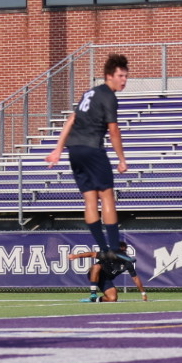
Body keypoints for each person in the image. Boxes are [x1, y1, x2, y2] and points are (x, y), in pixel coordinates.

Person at [45, 53, 130, 260]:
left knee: (90, 199)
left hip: (75, 150)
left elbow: (72, 119)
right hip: (93, 149)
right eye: (120, 75)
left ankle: (101, 248)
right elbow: (114, 130)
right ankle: (114, 249)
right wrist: (121, 159)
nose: (124, 80)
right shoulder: (108, 96)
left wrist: (58, 148)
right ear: (109, 76)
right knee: (107, 196)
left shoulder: (88, 93)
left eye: (126, 76)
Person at [73, 242, 148, 302]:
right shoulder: (108, 254)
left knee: (113, 299)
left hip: (106, 279)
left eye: (123, 251)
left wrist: (143, 293)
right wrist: (75, 256)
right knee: (96, 266)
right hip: (95, 274)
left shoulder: (127, 263)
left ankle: (94, 300)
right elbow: (92, 254)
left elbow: (135, 278)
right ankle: (93, 293)